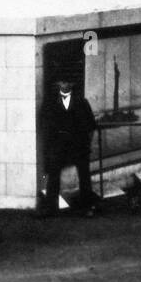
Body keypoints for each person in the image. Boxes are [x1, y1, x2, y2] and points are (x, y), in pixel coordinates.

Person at [40, 74, 98, 216]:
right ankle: (51, 208)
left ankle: (87, 207)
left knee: (84, 176)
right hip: (59, 146)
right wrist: (51, 145)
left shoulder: (81, 102)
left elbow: (91, 125)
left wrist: (86, 144)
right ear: (58, 84)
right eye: (62, 81)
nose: (64, 85)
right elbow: (45, 125)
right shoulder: (50, 103)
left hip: (78, 146)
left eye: (67, 82)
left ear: (72, 84)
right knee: (53, 175)